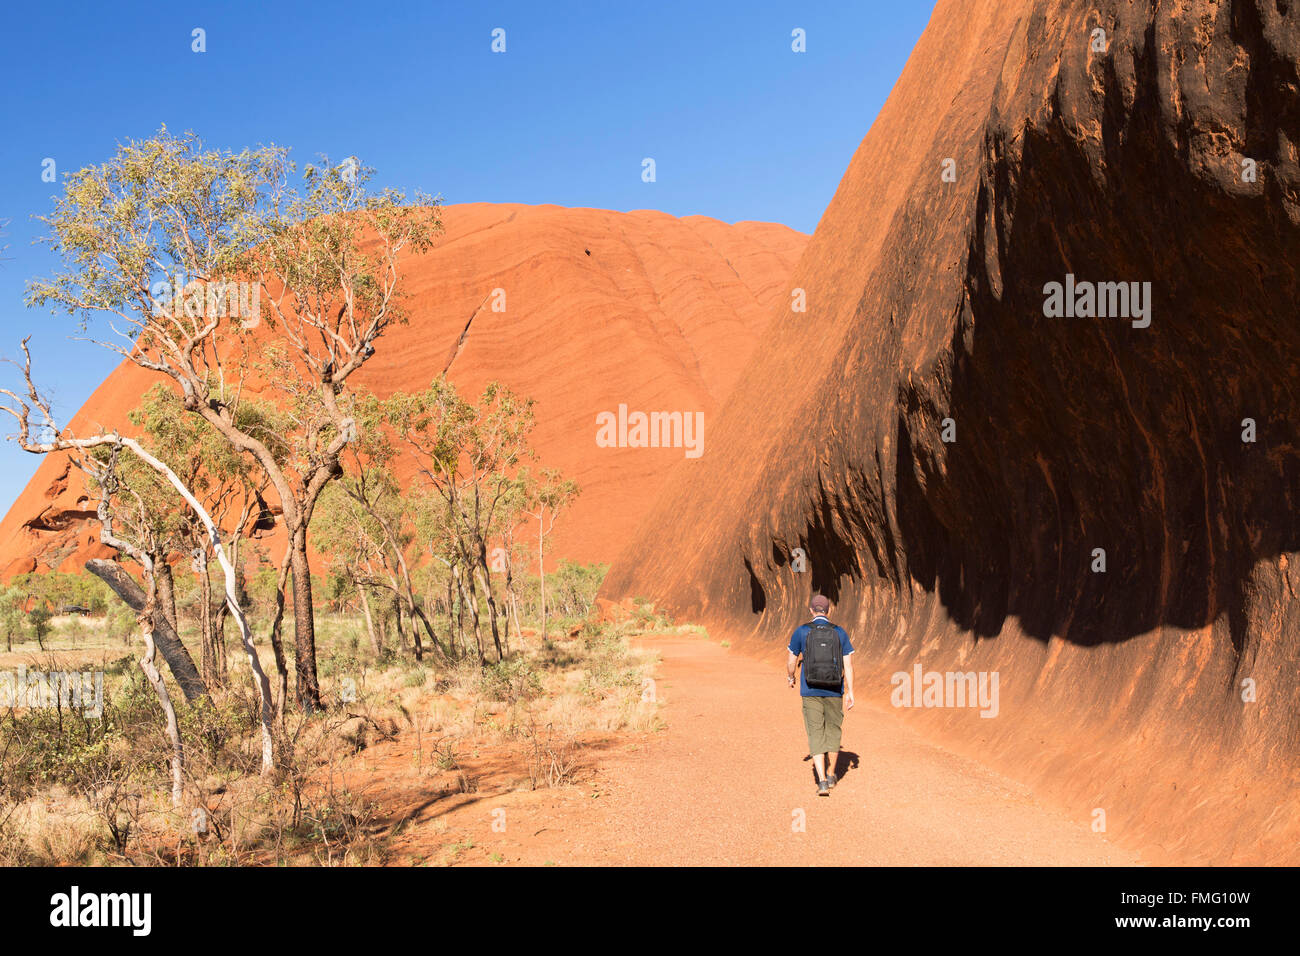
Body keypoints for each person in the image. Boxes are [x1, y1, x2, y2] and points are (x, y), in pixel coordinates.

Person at [787, 593, 854, 796]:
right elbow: (848, 665)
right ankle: (832, 773)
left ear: (811, 610)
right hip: (835, 690)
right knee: (833, 730)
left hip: (810, 690)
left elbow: (791, 660)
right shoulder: (840, 633)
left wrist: (791, 677)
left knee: (816, 732)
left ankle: (822, 781)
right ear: (829, 610)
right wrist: (851, 691)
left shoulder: (801, 631)